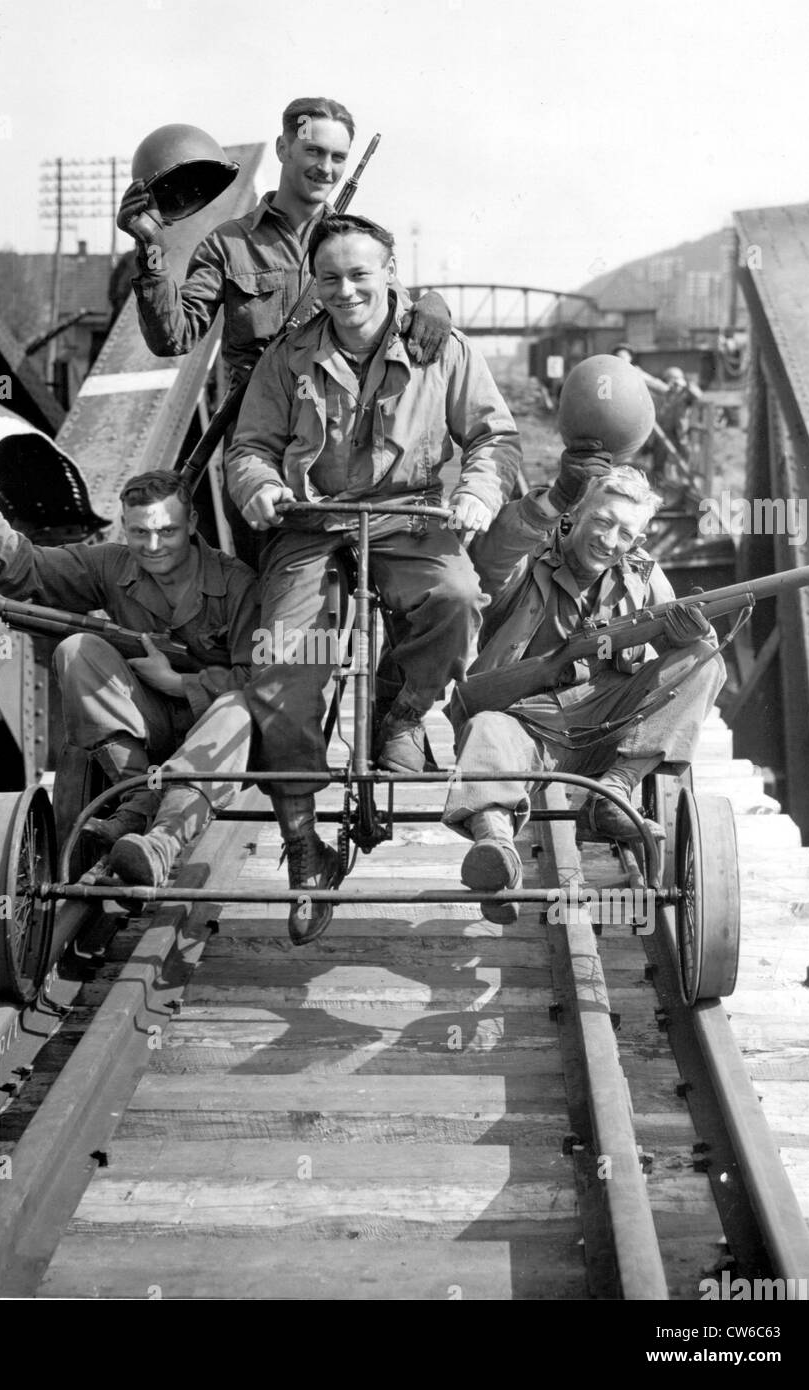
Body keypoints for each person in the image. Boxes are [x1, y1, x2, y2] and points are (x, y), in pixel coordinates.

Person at [225, 213, 522, 945]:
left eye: (361, 274)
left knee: (455, 599)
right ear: (315, 285)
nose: (346, 290)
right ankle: (304, 847)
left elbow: (495, 436)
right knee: (282, 670)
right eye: (330, 278)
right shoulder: (288, 358)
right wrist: (258, 484)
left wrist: (479, 491)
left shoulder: (439, 348)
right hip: (313, 521)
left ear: (391, 273)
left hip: (409, 516)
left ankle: (404, 707)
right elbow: (250, 447)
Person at [116, 97, 453, 556]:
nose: (326, 168)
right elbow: (174, 337)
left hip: (342, 453)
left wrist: (434, 304)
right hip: (260, 455)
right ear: (282, 148)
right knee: (264, 597)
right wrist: (151, 250)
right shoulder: (229, 244)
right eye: (314, 151)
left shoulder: (353, 244)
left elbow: (400, 310)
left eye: (338, 157)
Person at [0, 448, 258, 887]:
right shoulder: (111, 564)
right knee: (78, 648)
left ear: (193, 524)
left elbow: (264, 680)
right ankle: (136, 799)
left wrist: (180, 683)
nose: (153, 546)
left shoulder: (237, 583)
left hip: (215, 734)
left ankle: (161, 841)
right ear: (124, 526)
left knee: (236, 705)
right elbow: (26, 571)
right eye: (139, 532)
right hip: (146, 725)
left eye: (167, 531)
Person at [443, 460, 725, 923]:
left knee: (705, 661)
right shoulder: (525, 560)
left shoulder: (642, 575)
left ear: (638, 540)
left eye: (625, 533)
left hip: (607, 732)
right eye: (602, 521)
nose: (609, 540)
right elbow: (492, 556)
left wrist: (692, 634)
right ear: (576, 514)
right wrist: (545, 504)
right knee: (485, 730)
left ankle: (611, 794)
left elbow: (689, 662)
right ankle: (495, 850)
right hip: (525, 723)